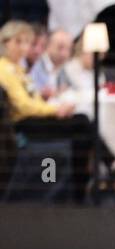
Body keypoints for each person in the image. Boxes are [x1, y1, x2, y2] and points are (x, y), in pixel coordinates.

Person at [0, 20, 95, 200]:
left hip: (32, 116)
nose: (24, 47)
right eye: (18, 42)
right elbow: (23, 105)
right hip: (23, 123)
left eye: (26, 42)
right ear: (5, 43)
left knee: (82, 121)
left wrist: (47, 102)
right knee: (82, 124)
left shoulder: (17, 68)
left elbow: (31, 98)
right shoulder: (3, 69)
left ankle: (77, 184)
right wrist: (54, 110)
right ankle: (79, 187)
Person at [27, 27, 71, 97]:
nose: (64, 54)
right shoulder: (35, 62)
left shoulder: (64, 68)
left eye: (68, 49)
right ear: (48, 46)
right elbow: (31, 92)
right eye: (60, 47)